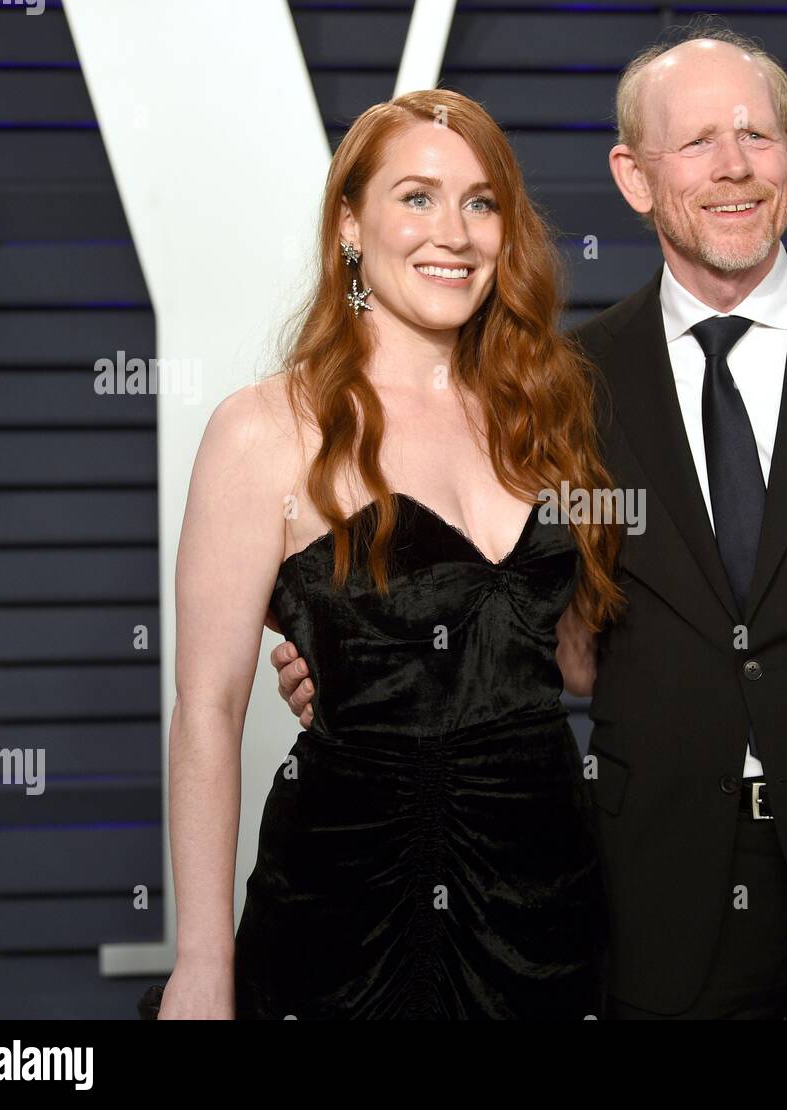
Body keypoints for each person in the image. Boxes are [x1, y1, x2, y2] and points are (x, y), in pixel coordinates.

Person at [275, 21, 787, 1020]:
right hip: (652, 894)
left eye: (758, 137)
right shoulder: (559, 388)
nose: (735, 169)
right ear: (633, 178)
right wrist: (365, 660)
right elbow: (528, 619)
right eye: (697, 144)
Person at [154, 89, 623, 1020]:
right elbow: (206, 710)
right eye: (416, 197)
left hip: (548, 911)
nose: (454, 231)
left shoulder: (549, 418)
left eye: (482, 202)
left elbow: (574, 663)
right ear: (349, 227)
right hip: (347, 916)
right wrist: (202, 964)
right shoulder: (265, 432)